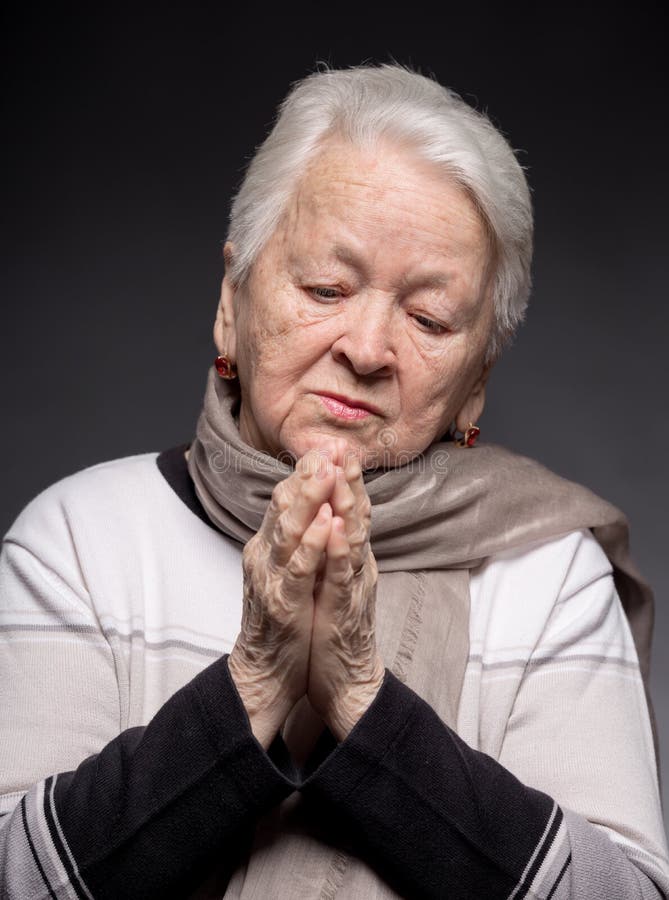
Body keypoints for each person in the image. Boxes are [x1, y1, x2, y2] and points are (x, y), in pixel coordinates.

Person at [1, 63, 667, 900]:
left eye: (428, 319)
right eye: (326, 287)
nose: (366, 348)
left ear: (476, 381)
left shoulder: (547, 574)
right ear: (228, 303)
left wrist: (358, 695)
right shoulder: (80, 538)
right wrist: (257, 680)